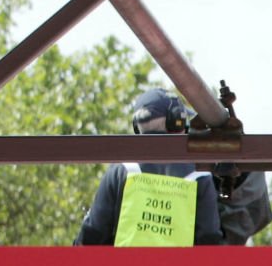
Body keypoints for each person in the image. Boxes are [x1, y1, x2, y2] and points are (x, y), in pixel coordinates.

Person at [77, 88, 226, 247]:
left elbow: (93, 233)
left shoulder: (121, 170)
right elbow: (209, 239)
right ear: (176, 121)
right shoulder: (199, 175)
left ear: (137, 126)